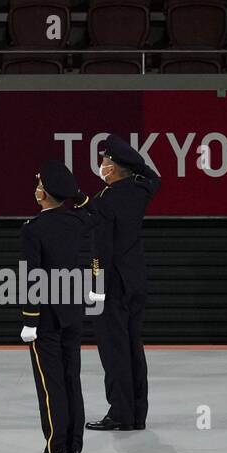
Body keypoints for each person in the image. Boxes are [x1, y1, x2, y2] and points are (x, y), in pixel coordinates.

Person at [82, 134, 161, 432]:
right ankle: (138, 412)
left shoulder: (105, 201)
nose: (101, 165)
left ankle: (120, 413)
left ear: (114, 169)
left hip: (112, 284)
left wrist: (96, 287)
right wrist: (134, 163)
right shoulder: (142, 189)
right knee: (132, 345)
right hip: (136, 279)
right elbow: (152, 175)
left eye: (105, 161)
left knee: (114, 349)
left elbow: (100, 250)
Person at [20, 160, 90, 453]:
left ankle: (55, 448)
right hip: (74, 311)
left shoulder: (34, 229)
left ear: (45, 193)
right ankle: (74, 449)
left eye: (39, 185)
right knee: (71, 379)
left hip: (46, 316)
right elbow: (93, 259)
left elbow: (31, 276)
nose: (36, 189)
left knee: (51, 385)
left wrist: (29, 319)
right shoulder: (80, 222)